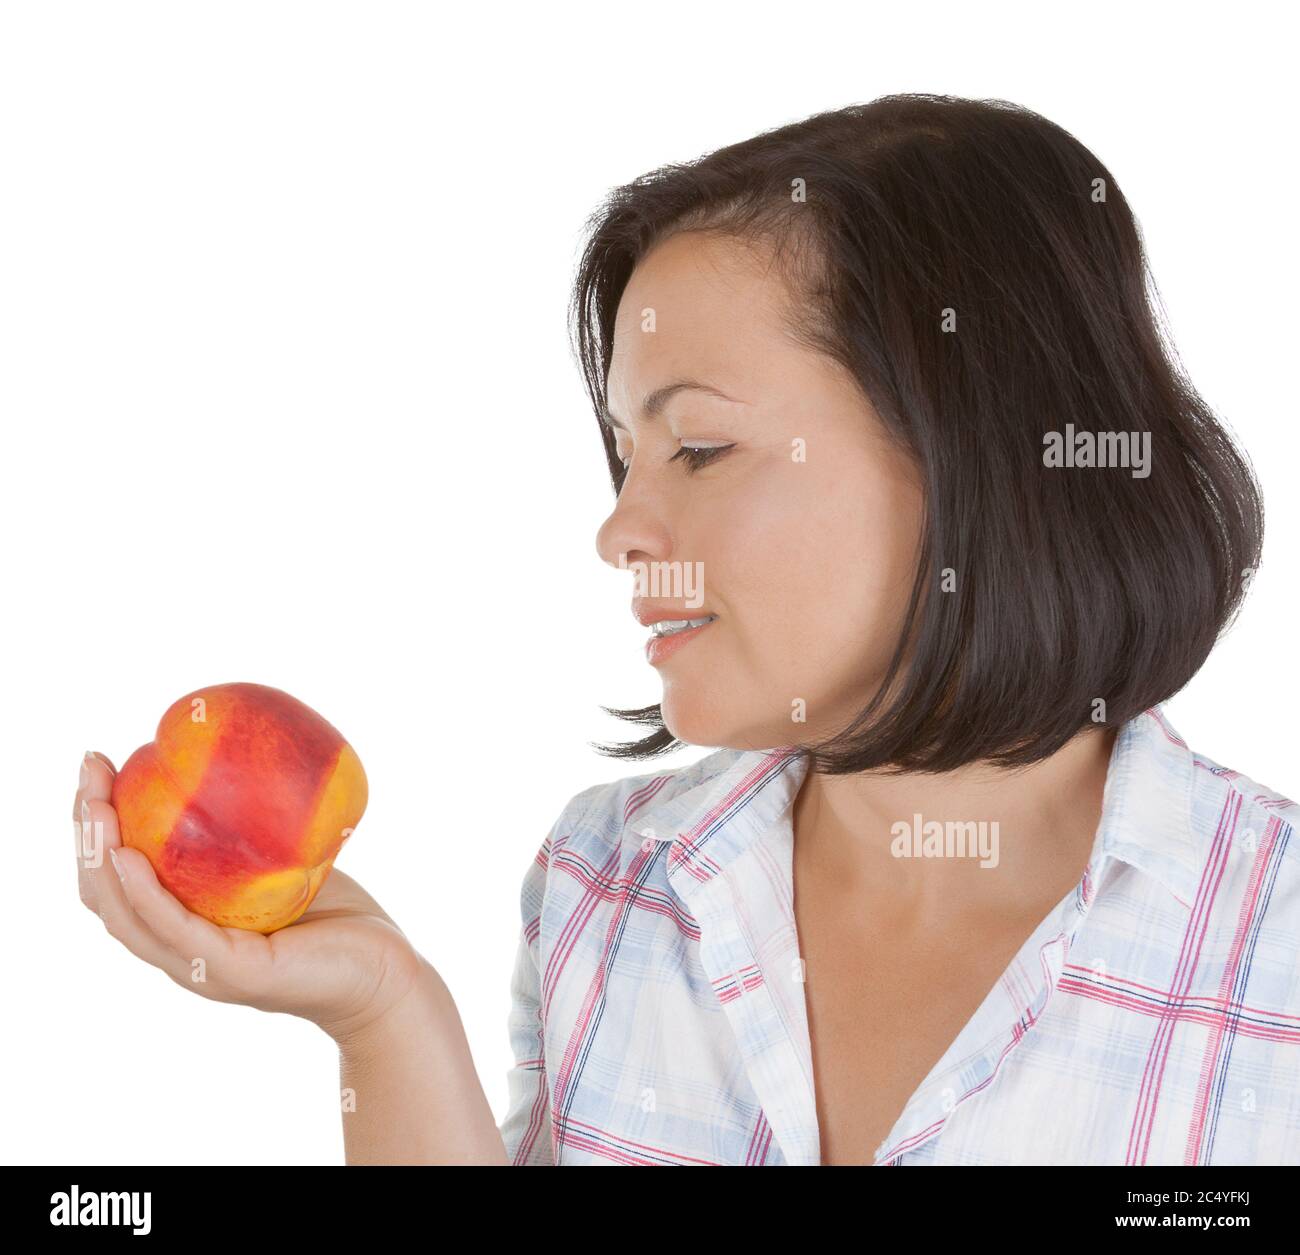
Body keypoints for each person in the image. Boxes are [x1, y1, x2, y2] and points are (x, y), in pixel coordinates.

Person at [74, 94, 1298, 1166]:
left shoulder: (1274, 941)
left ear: (975, 452)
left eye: (700, 447)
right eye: (624, 458)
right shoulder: (603, 881)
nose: (619, 531)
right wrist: (381, 1010)